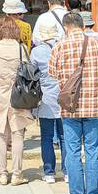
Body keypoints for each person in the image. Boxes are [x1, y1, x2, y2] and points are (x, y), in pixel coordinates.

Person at [49, 10, 98, 194]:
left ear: (66, 27)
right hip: (93, 106)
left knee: (73, 152)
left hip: (70, 108)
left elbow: (51, 73)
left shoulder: (60, 46)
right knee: (93, 152)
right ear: (83, 25)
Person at [0, 15, 37, 185]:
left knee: (1, 134)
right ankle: (17, 174)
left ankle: (2, 173)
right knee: (18, 134)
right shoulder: (21, 49)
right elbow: (27, 71)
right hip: (18, 95)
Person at [30, 21, 65, 182]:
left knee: (46, 136)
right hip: (65, 95)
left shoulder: (36, 52)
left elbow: (32, 74)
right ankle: (68, 171)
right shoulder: (64, 47)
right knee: (66, 137)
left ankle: (49, 172)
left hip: (45, 96)